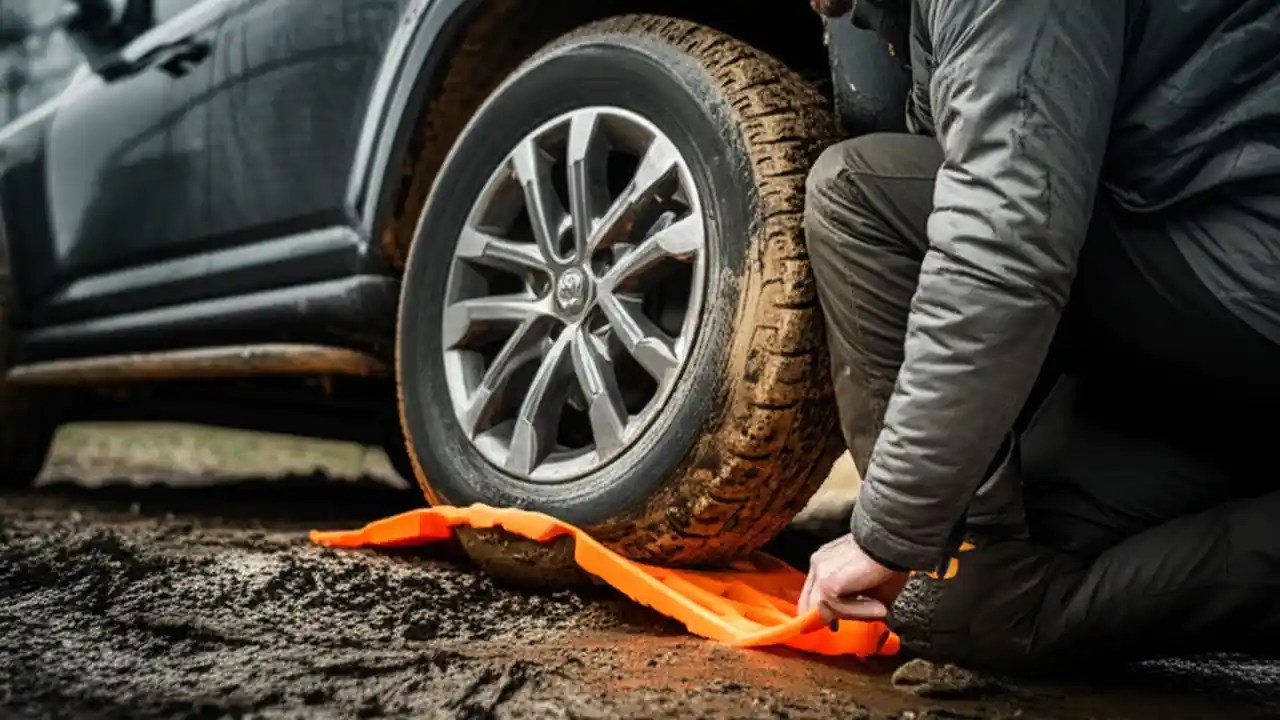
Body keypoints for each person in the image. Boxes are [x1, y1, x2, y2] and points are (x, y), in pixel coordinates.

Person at [798, 0, 1280, 671]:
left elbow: (1003, 242)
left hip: (1245, 284)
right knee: (969, 607)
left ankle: (935, 539)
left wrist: (892, 534)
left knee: (856, 193)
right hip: (1196, 327)